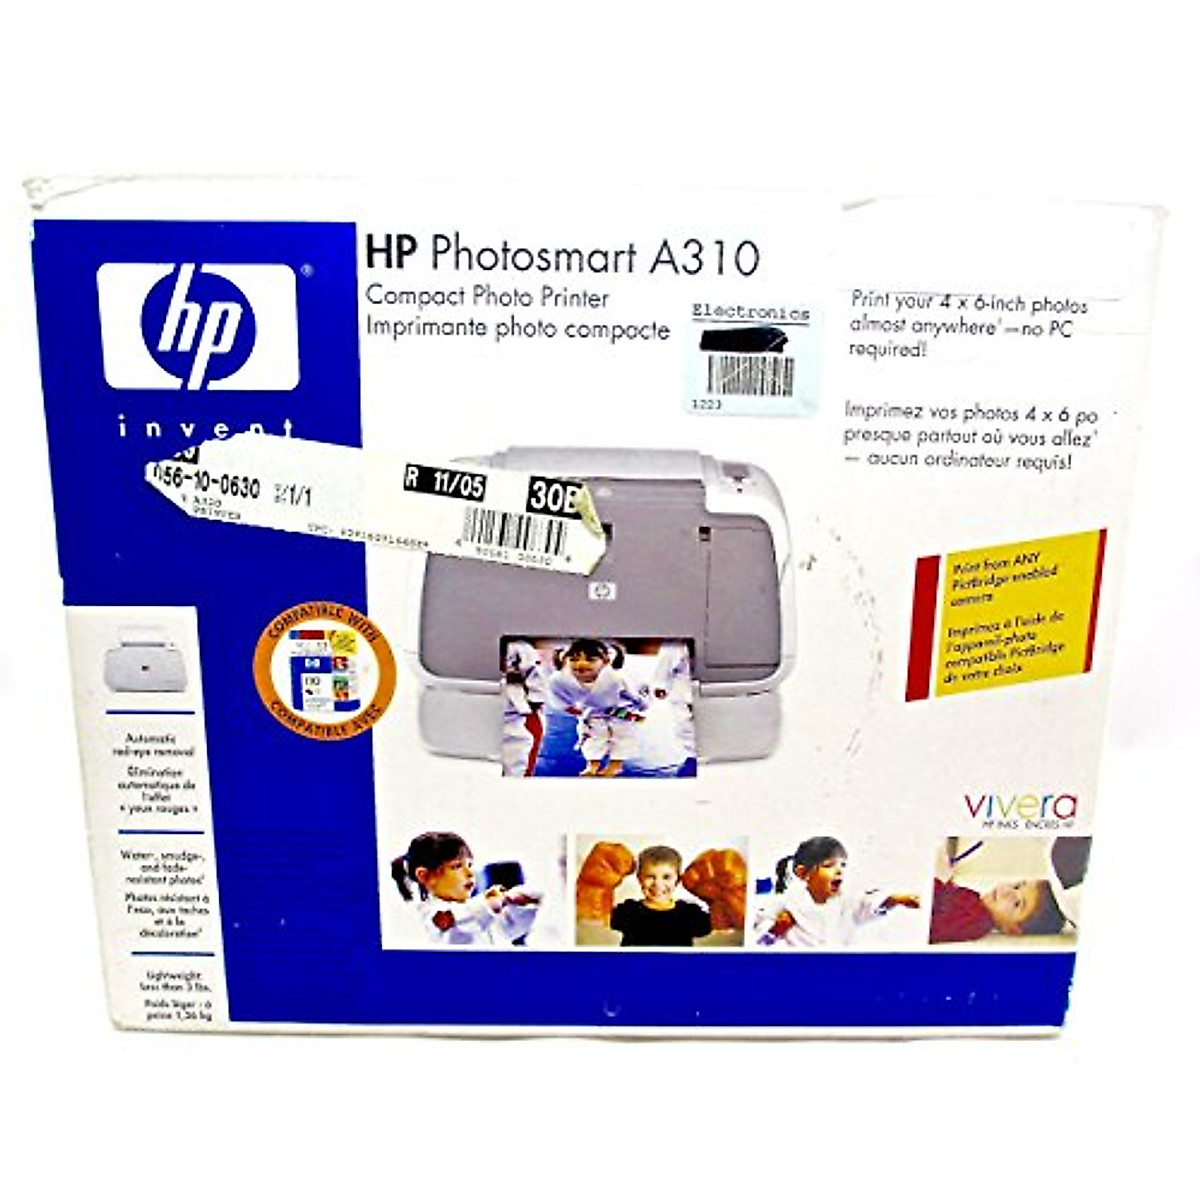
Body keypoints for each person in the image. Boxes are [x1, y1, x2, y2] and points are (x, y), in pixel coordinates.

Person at [755, 836, 920, 947]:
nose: (839, 871)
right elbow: (760, 941)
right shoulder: (788, 903)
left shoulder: (848, 902)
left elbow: (870, 903)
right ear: (803, 873)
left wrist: (896, 899)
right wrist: (777, 929)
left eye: (843, 865)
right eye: (829, 866)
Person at [390, 831, 541, 946]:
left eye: (469, 865)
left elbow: (505, 929)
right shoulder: (431, 913)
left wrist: (515, 902)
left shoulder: (474, 911)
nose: (469, 873)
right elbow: (455, 921)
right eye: (456, 866)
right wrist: (488, 904)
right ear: (424, 876)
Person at [928, 838, 1074, 943]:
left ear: (1012, 930)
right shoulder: (976, 906)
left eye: (1017, 903)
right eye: (1017, 886)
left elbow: (933, 924)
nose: (1007, 893)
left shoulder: (976, 919)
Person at [546, 638, 647, 777]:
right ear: (565, 660)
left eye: (590, 660)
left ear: (605, 662)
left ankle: (615, 766)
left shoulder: (615, 678)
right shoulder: (560, 679)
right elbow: (557, 695)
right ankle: (592, 766)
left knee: (621, 738)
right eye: (573, 659)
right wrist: (567, 707)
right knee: (592, 739)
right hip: (592, 714)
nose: (581, 664)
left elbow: (633, 695)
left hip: (622, 713)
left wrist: (642, 705)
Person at [610, 845, 712, 947]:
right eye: (650, 877)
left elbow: (716, 925)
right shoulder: (627, 911)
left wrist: (706, 892)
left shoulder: (690, 914)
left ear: (678, 880)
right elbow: (602, 922)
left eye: (666, 877)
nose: (658, 884)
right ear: (639, 878)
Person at [500, 638, 548, 777]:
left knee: (518, 758)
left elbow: (536, 677)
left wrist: (534, 701)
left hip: (518, 711)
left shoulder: (521, 648)